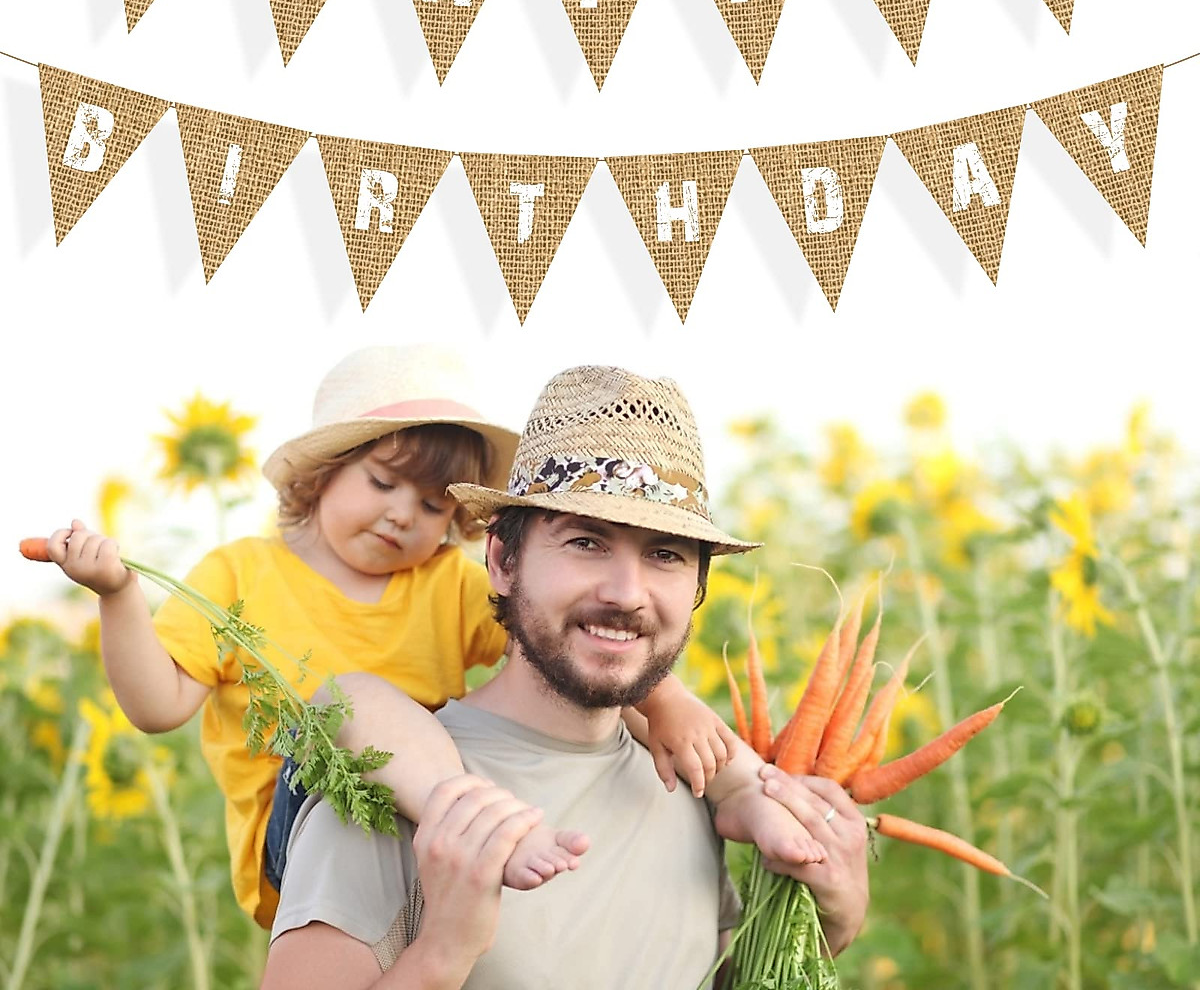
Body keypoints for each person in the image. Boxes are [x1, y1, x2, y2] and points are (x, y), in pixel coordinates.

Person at [43, 345, 749, 928]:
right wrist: (117, 596)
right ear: (321, 477)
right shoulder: (240, 573)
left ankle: (719, 812)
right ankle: (487, 825)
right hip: (313, 824)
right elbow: (156, 705)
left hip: (421, 832)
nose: (401, 516)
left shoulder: (446, 580)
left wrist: (665, 702)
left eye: (432, 505)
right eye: (383, 483)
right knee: (357, 701)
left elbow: (565, 648)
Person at [262, 365, 870, 989]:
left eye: (665, 554)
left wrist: (830, 929)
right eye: (586, 542)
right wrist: (443, 953)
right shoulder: (387, 784)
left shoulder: (685, 788)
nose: (626, 593)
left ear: (696, 586)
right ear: (502, 560)